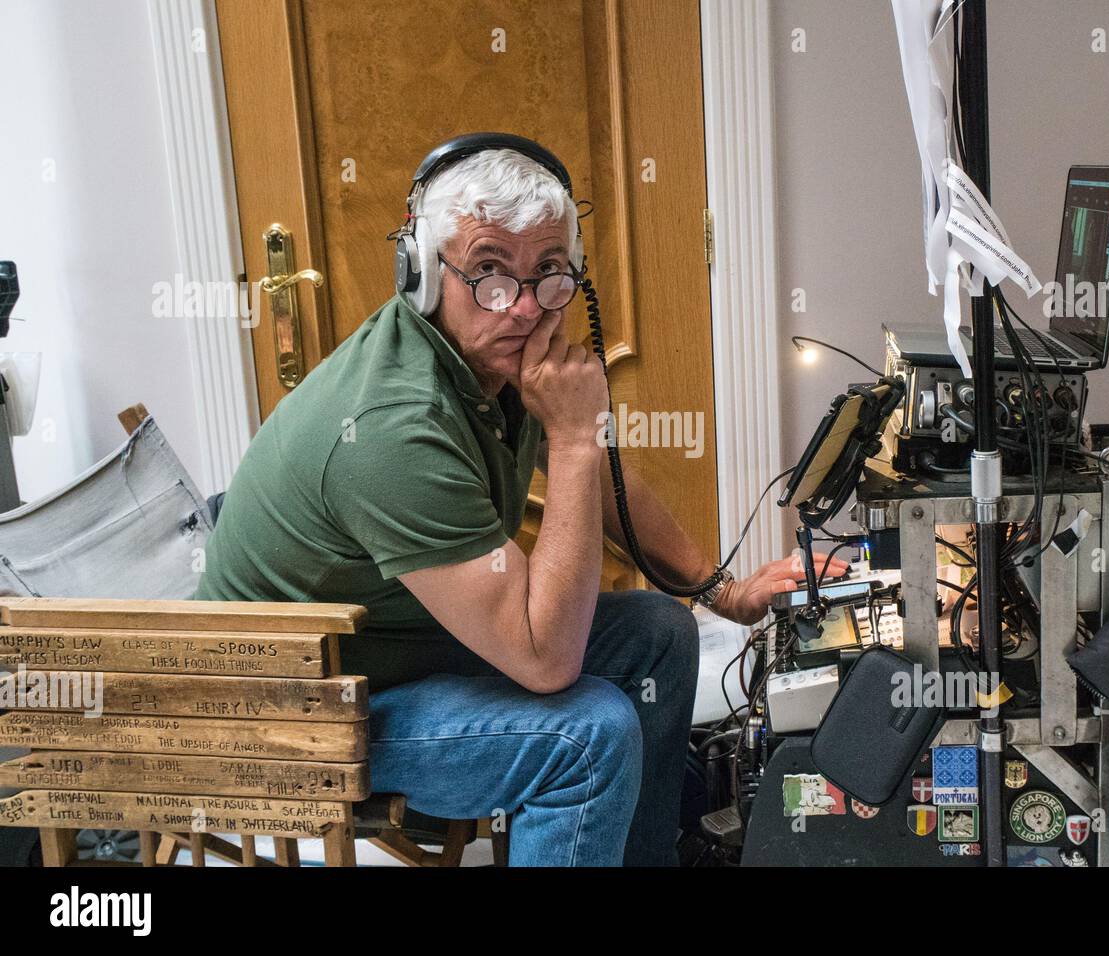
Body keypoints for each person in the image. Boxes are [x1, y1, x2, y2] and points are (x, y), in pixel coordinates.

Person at [195, 138, 844, 865]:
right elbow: (544, 660)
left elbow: (605, 485)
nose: (527, 307)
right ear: (421, 272)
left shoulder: (486, 361)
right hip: (303, 710)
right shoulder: (389, 425)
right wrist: (570, 437)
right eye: (490, 272)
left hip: (400, 651)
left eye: (549, 274)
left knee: (661, 631)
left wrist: (721, 592)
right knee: (586, 735)